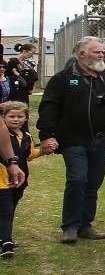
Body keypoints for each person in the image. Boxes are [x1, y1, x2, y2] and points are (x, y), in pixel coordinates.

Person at [38, 36, 105, 244]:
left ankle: (85, 225)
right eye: (97, 52)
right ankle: (70, 226)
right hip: (73, 139)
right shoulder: (63, 79)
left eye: (102, 51)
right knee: (77, 179)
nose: (101, 55)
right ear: (82, 54)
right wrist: (47, 135)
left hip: (101, 140)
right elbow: (48, 107)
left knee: (93, 182)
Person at [1, 101, 46, 258]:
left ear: (26, 118)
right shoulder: (3, 135)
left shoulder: (27, 137)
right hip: (2, 179)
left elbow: (28, 155)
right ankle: (6, 242)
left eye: (20, 116)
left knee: (11, 208)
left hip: (20, 180)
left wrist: (42, 151)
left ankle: (4, 235)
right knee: (5, 209)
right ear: (4, 117)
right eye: (12, 116)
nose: (16, 119)